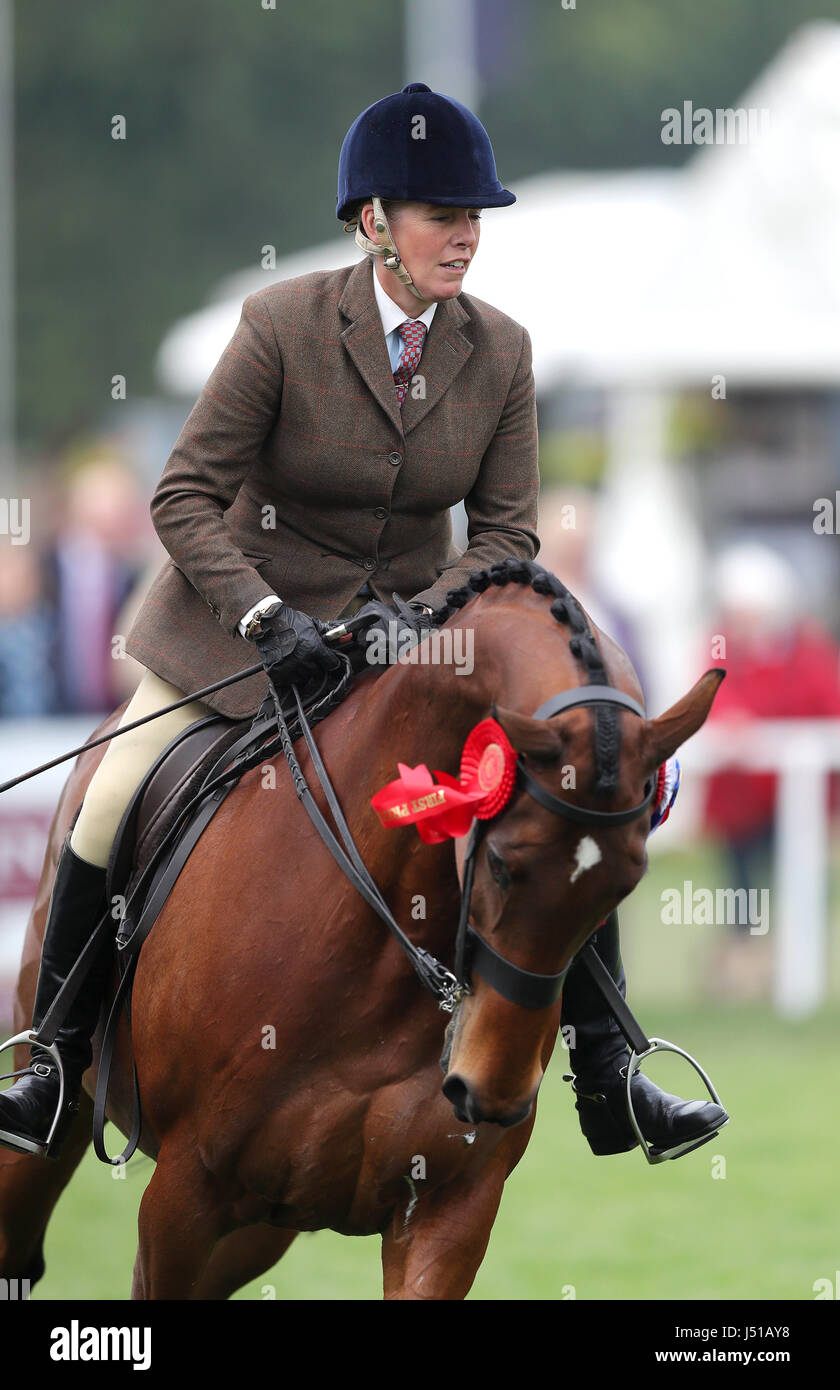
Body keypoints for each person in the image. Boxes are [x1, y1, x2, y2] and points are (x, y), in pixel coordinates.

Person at [0, 82, 724, 1161]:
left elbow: (507, 538)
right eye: (444, 213)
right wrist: (263, 613)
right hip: (234, 639)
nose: (467, 236)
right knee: (106, 798)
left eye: (477, 215)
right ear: (373, 221)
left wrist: (418, 618)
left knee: (573, 788)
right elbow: (182, 498)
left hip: (407, 652)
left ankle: (610, 1071)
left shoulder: (504, 349)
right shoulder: (281, 325)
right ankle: (52, 1063)